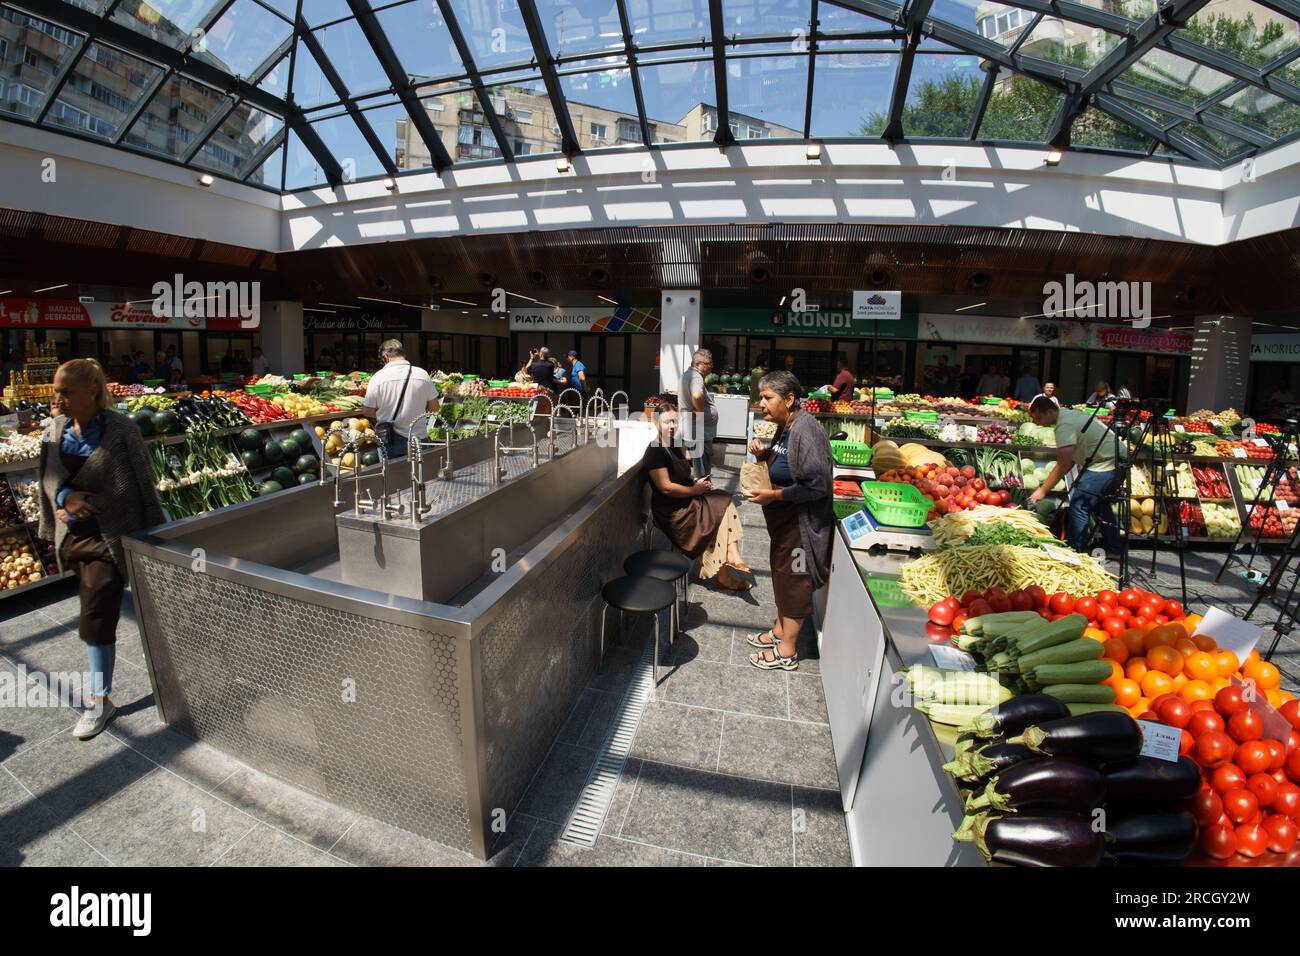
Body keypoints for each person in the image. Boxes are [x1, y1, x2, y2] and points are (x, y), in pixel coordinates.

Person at [37, 359, 165, 739]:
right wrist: (64, 495)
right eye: (55, 390)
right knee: (98, 609)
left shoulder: (123, 431)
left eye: (66, 391)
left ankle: (99, 700)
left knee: (96, 611)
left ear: (91, 391)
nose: (57, 398)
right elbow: (46, 475)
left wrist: (154, 537)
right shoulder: (55, 428)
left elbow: (142, 482)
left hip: (111, 535)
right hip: (73, 537)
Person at [743, 371, 834, 671]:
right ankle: (780, 631)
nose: (762, 403)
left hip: (801, 527)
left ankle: (787, 651)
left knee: (795, 581)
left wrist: (775, 496)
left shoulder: (806, 432)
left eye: (768, 398)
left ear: (790, 399)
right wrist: (763, 454)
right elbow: (784, 466)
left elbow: (817, 485)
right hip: (784, 526)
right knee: (783, 576)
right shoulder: (785, 426)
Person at [643, 402, 753, 591]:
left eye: (675, 422)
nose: (672, 426)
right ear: (656, 422)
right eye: (667, 422)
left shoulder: (675, 446)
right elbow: (666, 488)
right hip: (672, 511)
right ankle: (727, 568)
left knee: (723, 501)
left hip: (686, 500)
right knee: (719, 509)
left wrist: (696, 481)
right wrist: (695, 491)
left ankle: (729, 562)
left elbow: (684, 474)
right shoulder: (655, 451)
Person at [1025, 395, 1124, 554]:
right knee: (1100, 504)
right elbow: (1070, 460)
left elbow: (1064, 463)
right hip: (1117, 460)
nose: (1037, 422)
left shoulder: (1064, 425)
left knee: (1079, 505)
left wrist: (1042, 491)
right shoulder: (1070, 414)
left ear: (1050, 411)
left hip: (1105, 464)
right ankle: (1114, 547)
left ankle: (1073, 550)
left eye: (1038, 418)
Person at [361, 339, 440, 459]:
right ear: (404, 355)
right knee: (421, 474)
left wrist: (384, 414)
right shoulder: (422, 374)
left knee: (391, 475)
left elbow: (367, 411)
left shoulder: (378, 378)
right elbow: (434, 408)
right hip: (418, 438)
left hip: (390, 439)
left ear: (385, 356)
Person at [680, 348, 718, 479]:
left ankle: (700, 491)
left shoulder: (689, 374)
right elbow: (697, 395)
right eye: (708, 364)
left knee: (699, 463)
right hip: (699, 431)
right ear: (697, 364)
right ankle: (703, 495)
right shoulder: (696, 377)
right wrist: (700, 412)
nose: (711, 366)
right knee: (702, 467)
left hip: (696, 429)